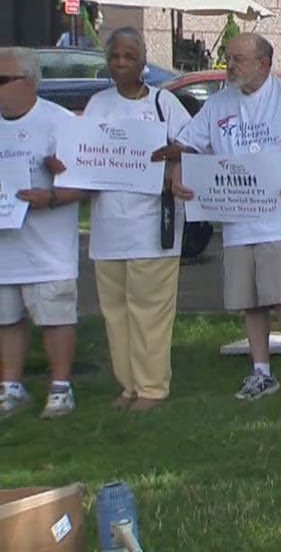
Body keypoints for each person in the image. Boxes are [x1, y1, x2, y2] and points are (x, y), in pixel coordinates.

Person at [166, 33, 281, 401]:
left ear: (264, 63)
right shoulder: (218, 105)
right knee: (249, 300)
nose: (230, 66)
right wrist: (177, 170)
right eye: (229, 58)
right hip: (237, 218)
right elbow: (188, 143)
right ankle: (261, 372)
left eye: (239, 59)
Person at [75, 28, 192, 412]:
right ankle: (128, 385)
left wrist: (173, 159)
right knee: (115, 309)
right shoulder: (97, 104)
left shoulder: (164, 103)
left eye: (128, 56)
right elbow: (85, 153)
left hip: (150, 222)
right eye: (114, 57)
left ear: (143, 62)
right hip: (108, 224)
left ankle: (153, 387)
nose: (121, 63)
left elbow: (191, 146)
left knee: (151, 309)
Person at [0, 47, 87, 420]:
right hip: (6, 247)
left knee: (55, 317)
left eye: (4, 80)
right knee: (6, 319)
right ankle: (11, 387)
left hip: (48, 247)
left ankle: (60, 387)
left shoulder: (61, 123)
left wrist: (51, 195)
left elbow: (87, 183)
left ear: (30, 82)